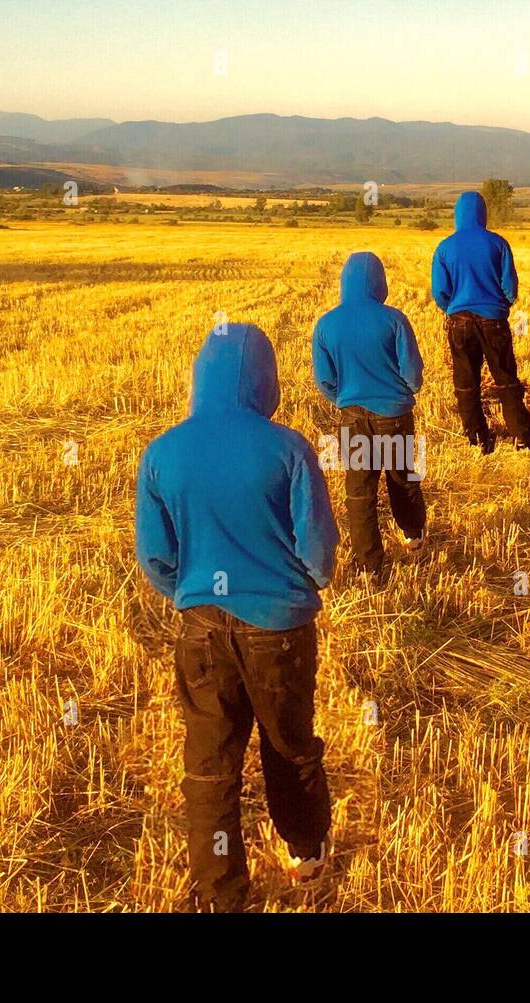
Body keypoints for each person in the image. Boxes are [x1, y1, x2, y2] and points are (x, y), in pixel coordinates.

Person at [135, 322, 340, 913]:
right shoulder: (289, 448)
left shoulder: (163, 452)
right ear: (265, 381)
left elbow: (156, 555)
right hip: (279, 629)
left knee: (209, 763)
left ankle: (221, 891)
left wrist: (193, 595)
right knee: (290, 744)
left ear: (200, 376)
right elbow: (318, 550)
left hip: (200, 626)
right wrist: (304, 588)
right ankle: (305, 853)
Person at [312, 251, 426, 582]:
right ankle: (413, 535)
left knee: (359, 489)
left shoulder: (326, 324)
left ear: (343, 282)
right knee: (402, 478)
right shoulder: (395, 320)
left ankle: (368, 563)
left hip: (352, 418)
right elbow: (413, 373)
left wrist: (346, 399)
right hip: (395, 416)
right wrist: (405, 391)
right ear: (381, 282)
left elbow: (325, 380)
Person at [430, 190, 530, 453]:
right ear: (483, 213)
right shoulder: (498, 243)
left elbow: (439, 291)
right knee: (506, 378)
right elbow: (509, 286)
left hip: (459, 322)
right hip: (493, 319)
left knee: (466, 382)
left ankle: (477, 438)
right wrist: (501, 307)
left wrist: (452, 310)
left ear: (457, 214)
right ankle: (520, 436)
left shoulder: (445, 247)